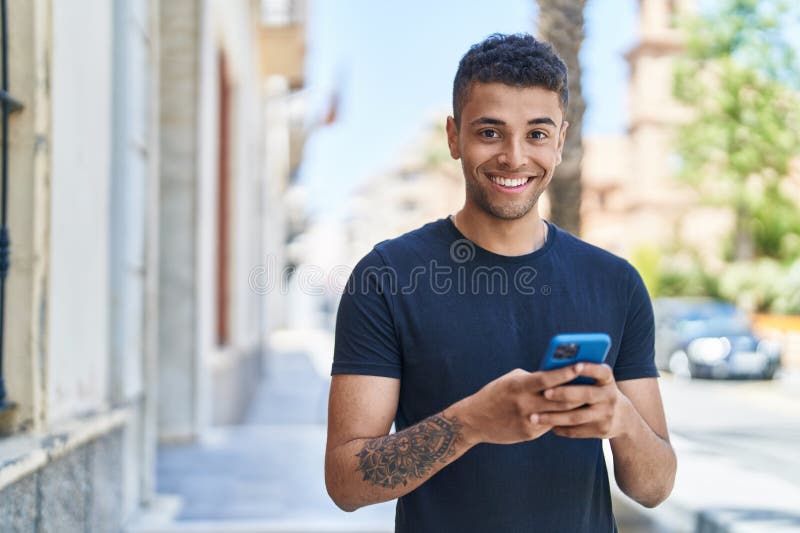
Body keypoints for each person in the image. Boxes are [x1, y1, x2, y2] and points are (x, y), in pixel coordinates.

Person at [325, 33, 676, 532]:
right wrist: (470, 423)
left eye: (536, 134)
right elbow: (345, 483)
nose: (514, 157)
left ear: (560, 140)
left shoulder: (615, 282)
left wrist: (619, 418)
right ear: (454, 136)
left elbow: (655, 487)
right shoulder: (387, 277)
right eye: (490, 132)